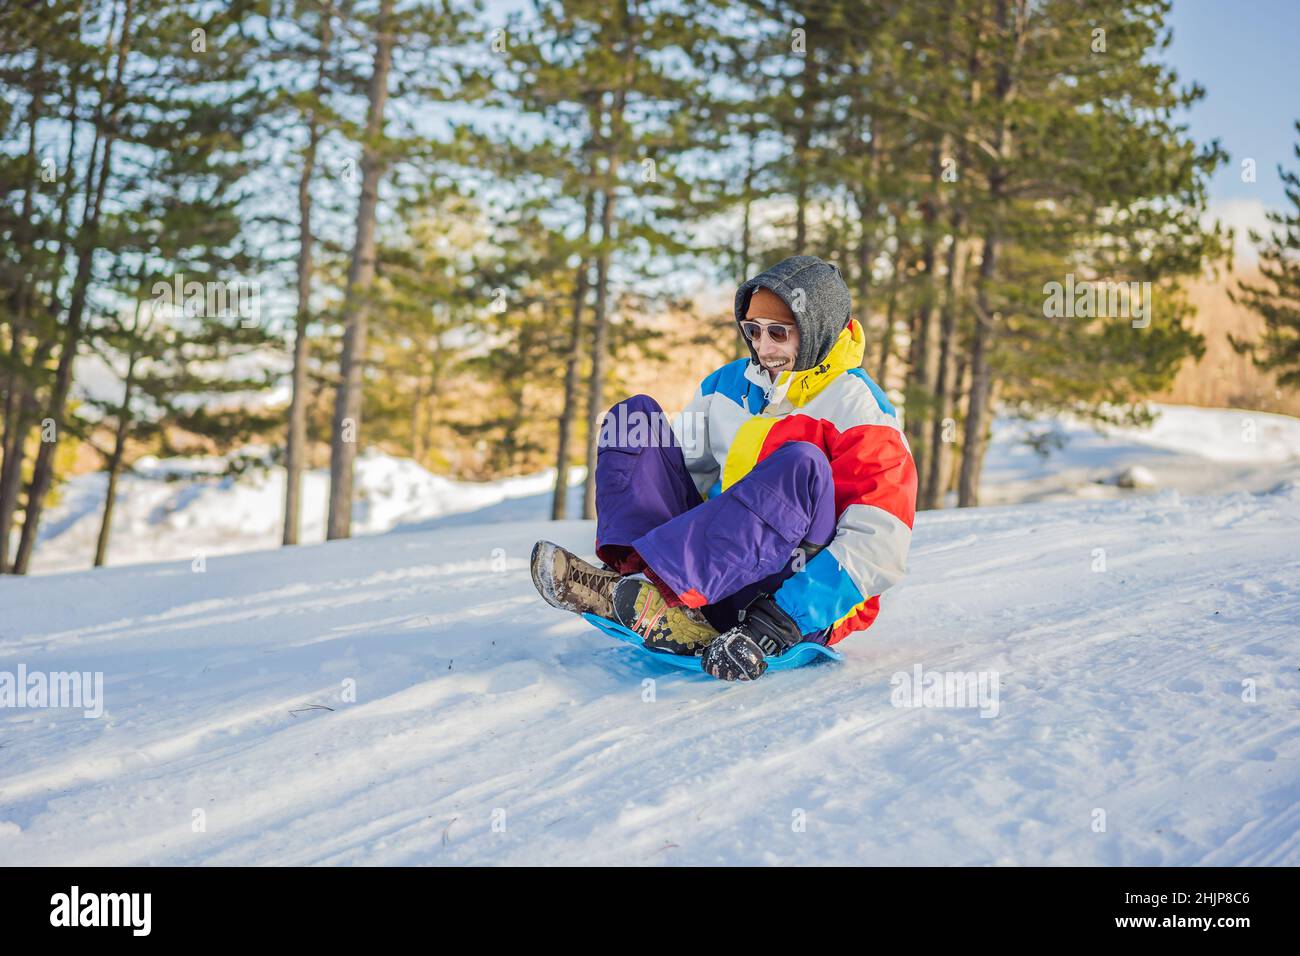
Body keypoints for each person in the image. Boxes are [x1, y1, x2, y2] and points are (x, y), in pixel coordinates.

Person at [531, 255, 917, 681]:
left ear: (816, 329)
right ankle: (638, 585)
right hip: (717, 572)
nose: (763, 347)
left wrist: (779, 622)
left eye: (778, 333)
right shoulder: (728, 386)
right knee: (633, 419)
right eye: (752, 331)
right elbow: (679, 479)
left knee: (800, 464)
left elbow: (879, 544)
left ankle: (670, 592)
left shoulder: (859, 409)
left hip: (788, 593)